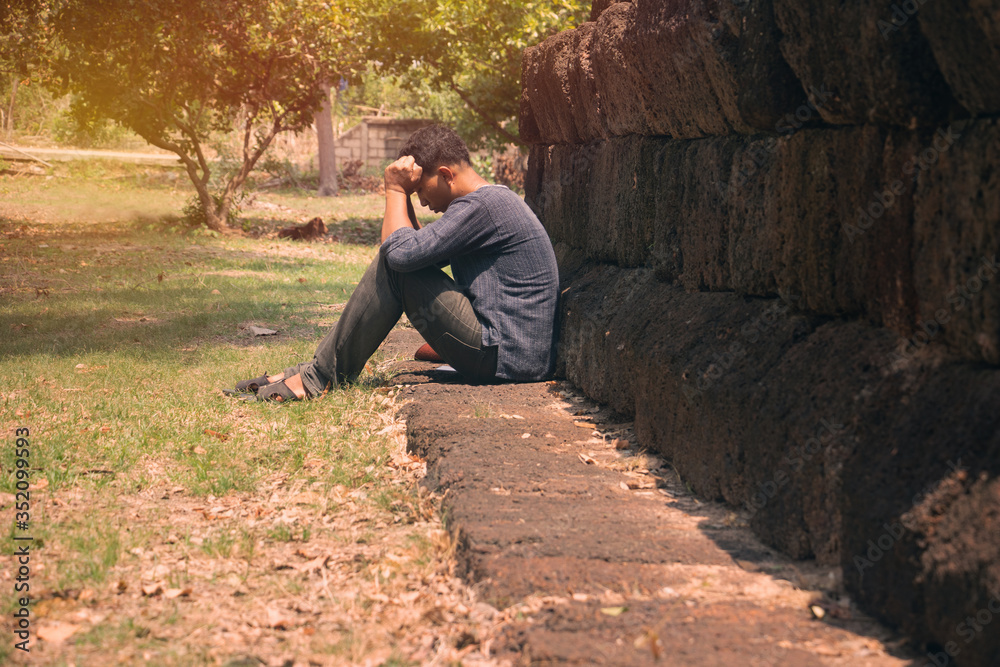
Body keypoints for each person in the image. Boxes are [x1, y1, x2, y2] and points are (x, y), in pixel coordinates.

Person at [233, 124, 560, 401]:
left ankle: (316, 378)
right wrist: (403, 196)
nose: (423, 201)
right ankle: (311, 372)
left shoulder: (483, 206)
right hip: (508, 352)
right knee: (398, 259)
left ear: (445, 175)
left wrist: (394, 190)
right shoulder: (488, 203)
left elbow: (400, 256)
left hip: (504, 355)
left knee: (393, 264)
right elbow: (418, 252)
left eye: (421, 191)